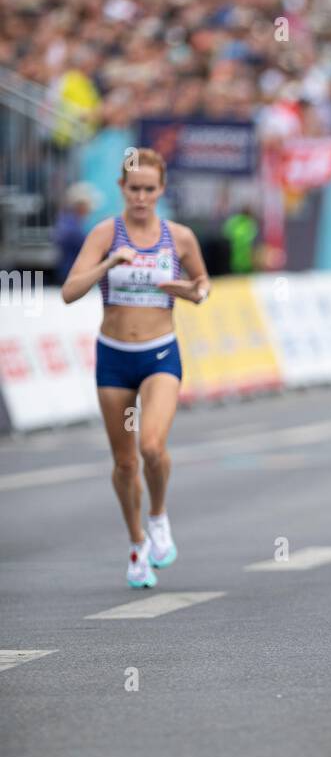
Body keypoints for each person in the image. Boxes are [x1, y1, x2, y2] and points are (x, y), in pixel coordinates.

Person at [61, 149, 210, 587]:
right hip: (113, 357)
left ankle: (159, 517)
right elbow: (69, 291)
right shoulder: (106, 233)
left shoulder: (178, 237)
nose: (142, 197)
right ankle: (136, 543)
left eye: (149, 189)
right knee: (125, 463)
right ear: (121, 190)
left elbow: (202, 289)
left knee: (151, 447)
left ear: (161, 190)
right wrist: (109, 262)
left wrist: (182, 288)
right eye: (134, 189)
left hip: (160, 353)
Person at [53, 183, 98, 284]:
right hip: (70, 276)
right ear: (80, 206)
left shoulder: (67, 221)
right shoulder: (71, 227)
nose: (89, 210)